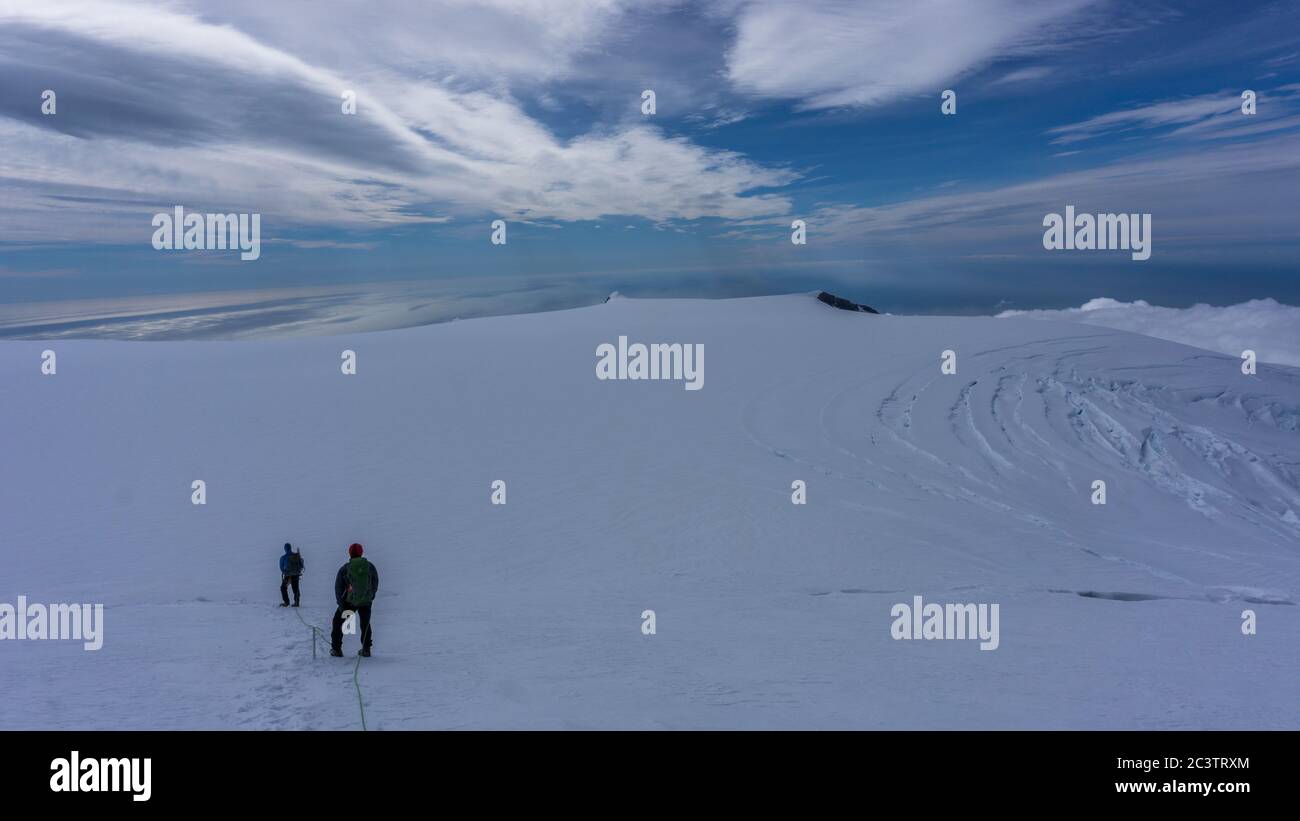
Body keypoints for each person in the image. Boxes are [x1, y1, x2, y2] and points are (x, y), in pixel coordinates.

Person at [330, 543, 378, 657]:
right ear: (361, 552)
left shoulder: (345, 568)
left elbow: (338, 587)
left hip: (349, 602)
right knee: (365, 623)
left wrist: (341, 604)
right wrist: (371, 595)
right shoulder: (369, 566)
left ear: (350, 553)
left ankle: (336, 649)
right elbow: (375, 581)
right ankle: (366, 649)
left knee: (338, 622)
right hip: (366, 600)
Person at [279, 543, 304, 607]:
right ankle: (296, 602)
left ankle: (286, 602)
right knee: (296, 589)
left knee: (283, 588)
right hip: (296, 574)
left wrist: (284, 572)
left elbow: (281, 567)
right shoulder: (296, 556)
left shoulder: (283, 557)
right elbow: (301, 565)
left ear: (285, 549)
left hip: (288, 575)